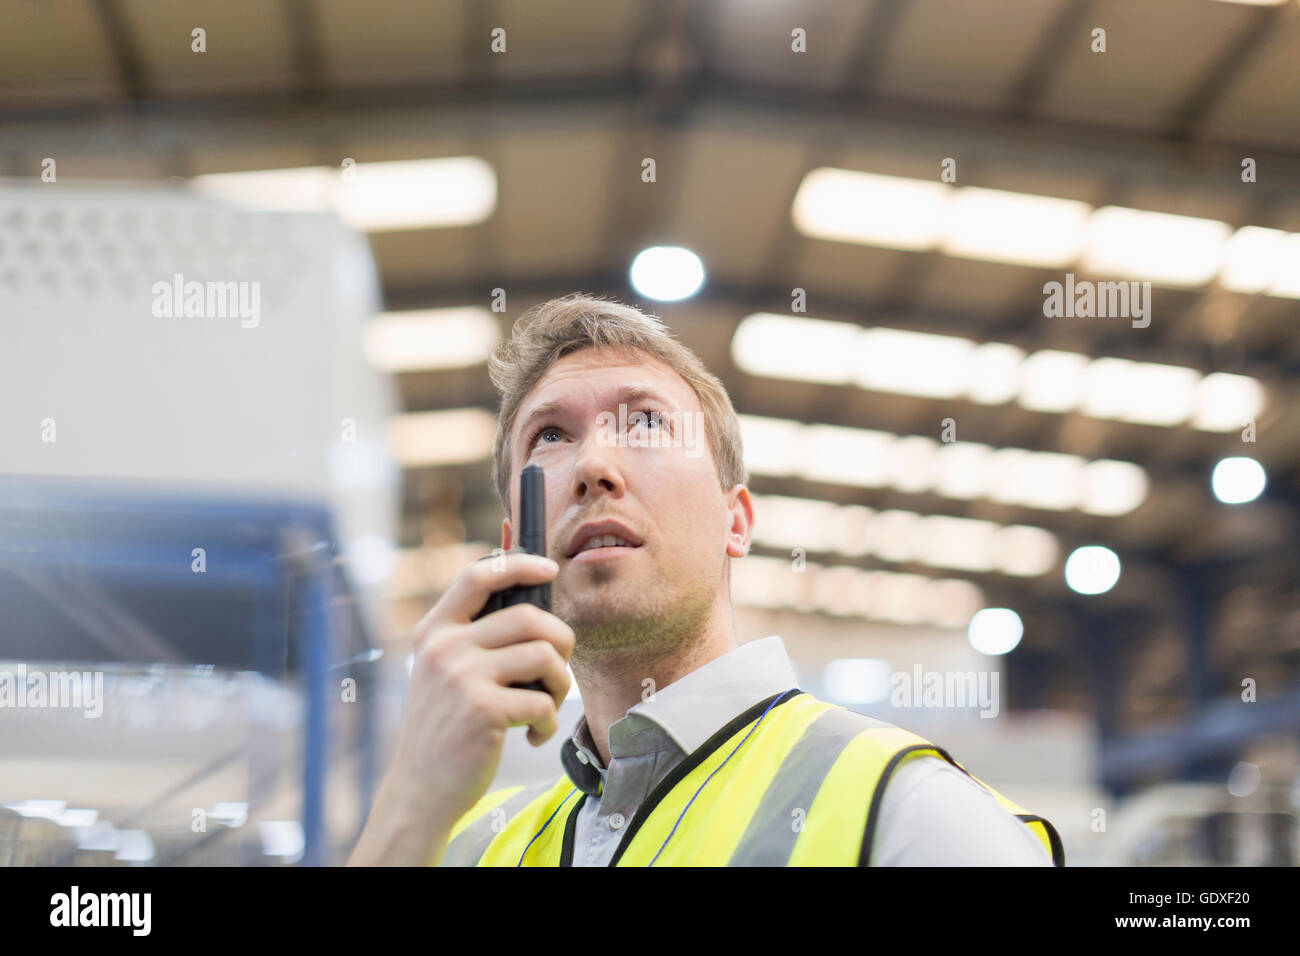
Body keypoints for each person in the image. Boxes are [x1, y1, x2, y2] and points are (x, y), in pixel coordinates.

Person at [348, 294, 1063, 867]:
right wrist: (410, 800)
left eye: (648, 423)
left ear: (736, 519)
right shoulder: (470, 846)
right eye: (552, 436)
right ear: (512, 549)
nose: (597, 465)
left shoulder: (906, 810)